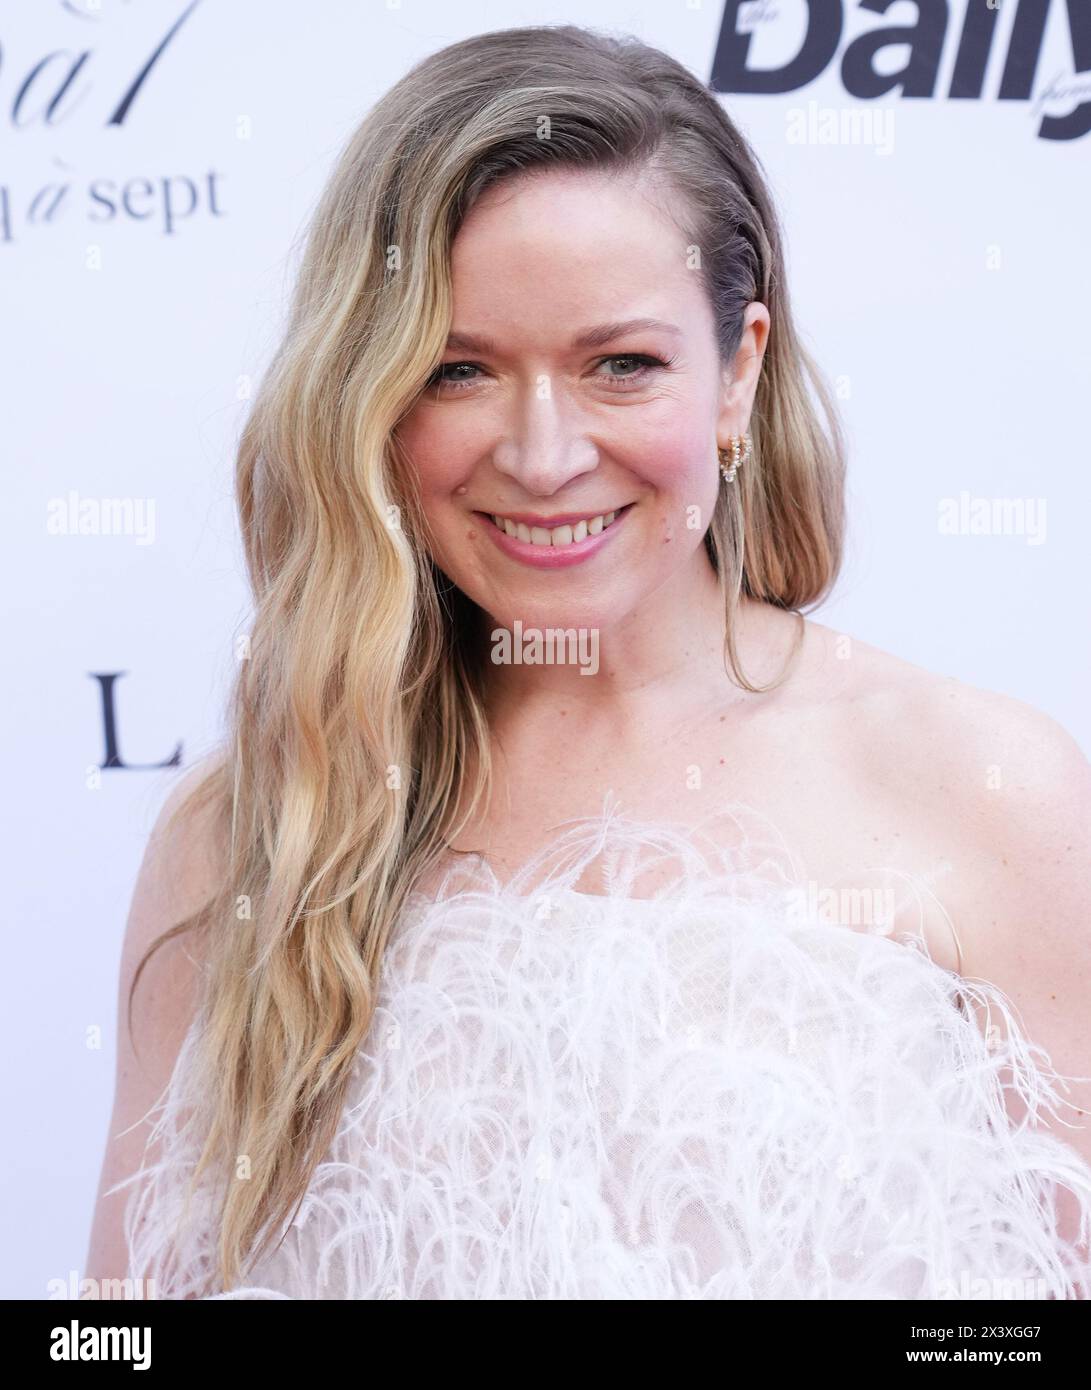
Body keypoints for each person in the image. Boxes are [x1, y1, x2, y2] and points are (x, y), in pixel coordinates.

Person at [85, 24, 1091, 1300]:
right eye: (457, 370)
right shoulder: (256, 827)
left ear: (735, 374)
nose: (545, 454)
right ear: (367, 402)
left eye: (620, 364)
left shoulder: (990, 790)